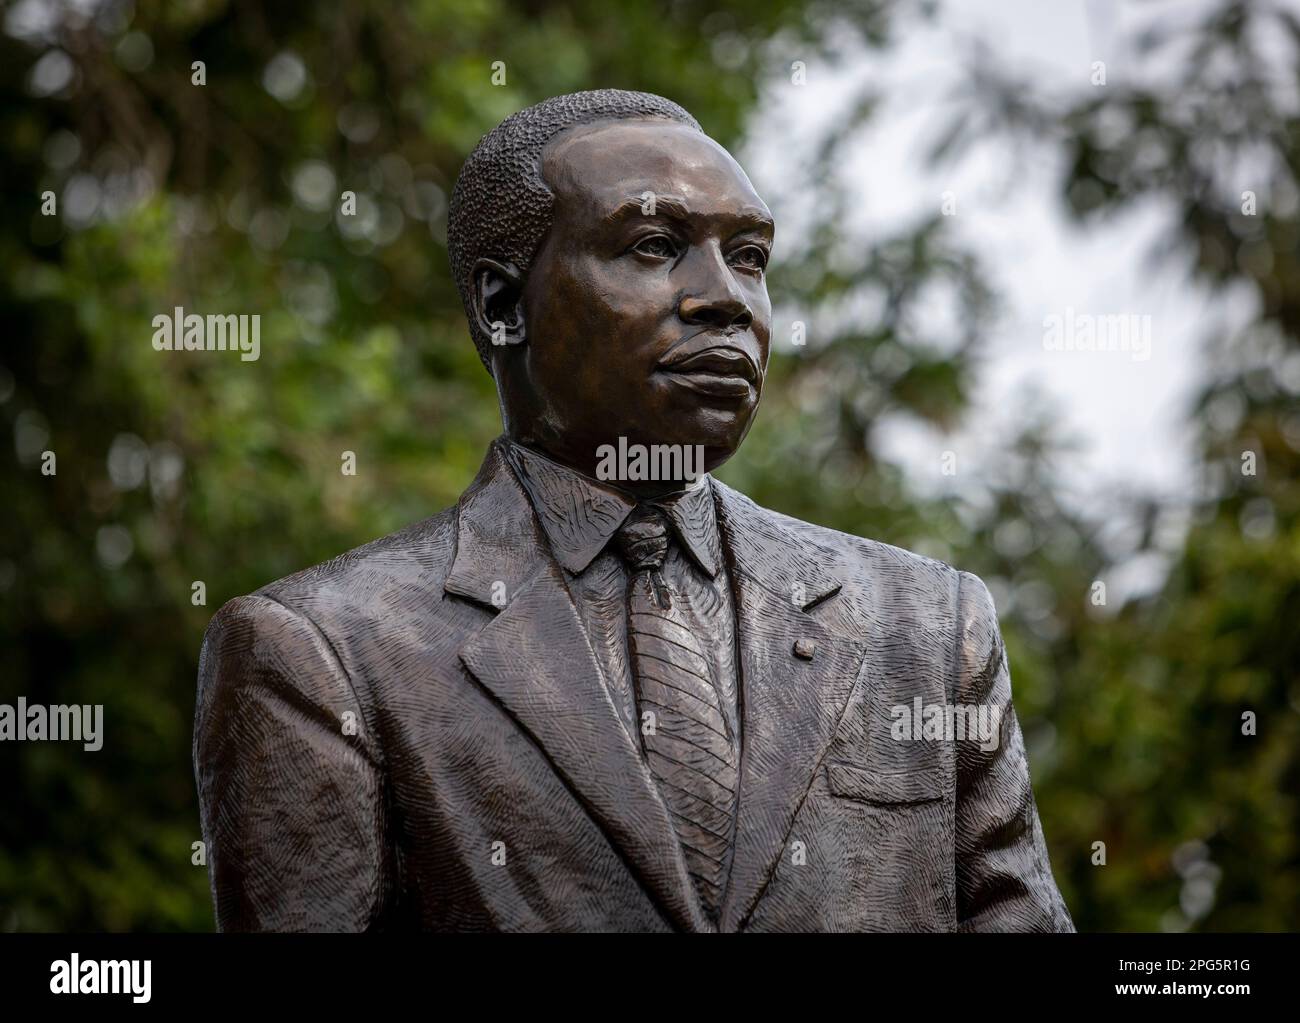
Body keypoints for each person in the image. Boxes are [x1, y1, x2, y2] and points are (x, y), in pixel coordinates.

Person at [193, 89, 1074, 932]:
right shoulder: (324, 654)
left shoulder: (926, 626)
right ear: (503, 306)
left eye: (751, 255)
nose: (725, 296)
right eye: (655, 246)